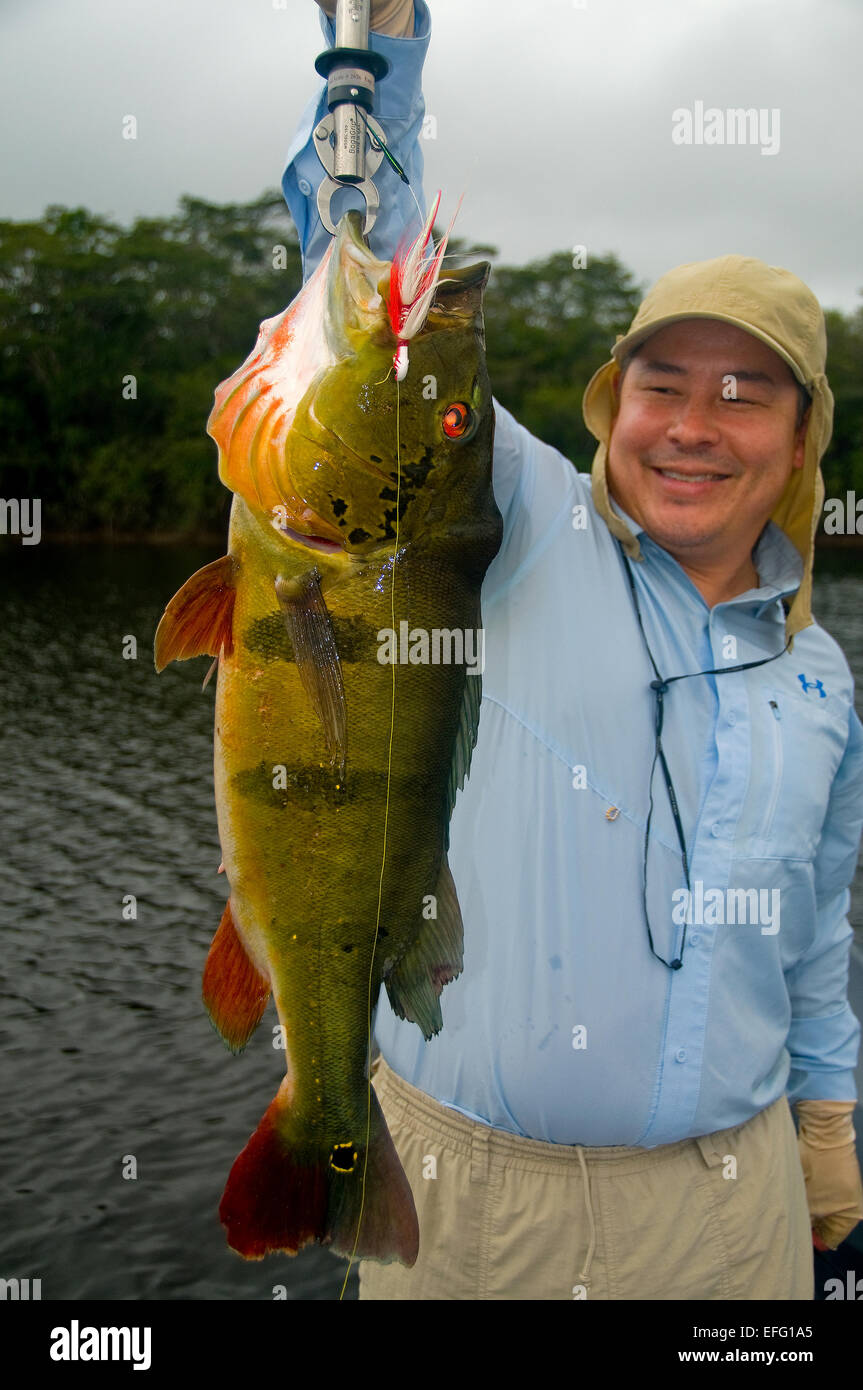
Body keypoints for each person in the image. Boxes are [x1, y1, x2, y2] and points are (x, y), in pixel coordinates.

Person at [284, 0, 863, 1299]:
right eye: (663, 384)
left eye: (744, 391)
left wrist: (830, 1139)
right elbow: (372, 305)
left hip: (736, 1214)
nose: (693, 426)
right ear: (613, 407)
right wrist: (375, 55)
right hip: (461, 1208)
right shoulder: (524, 524)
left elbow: (817, 937)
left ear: (799, 436)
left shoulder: (821, 678)